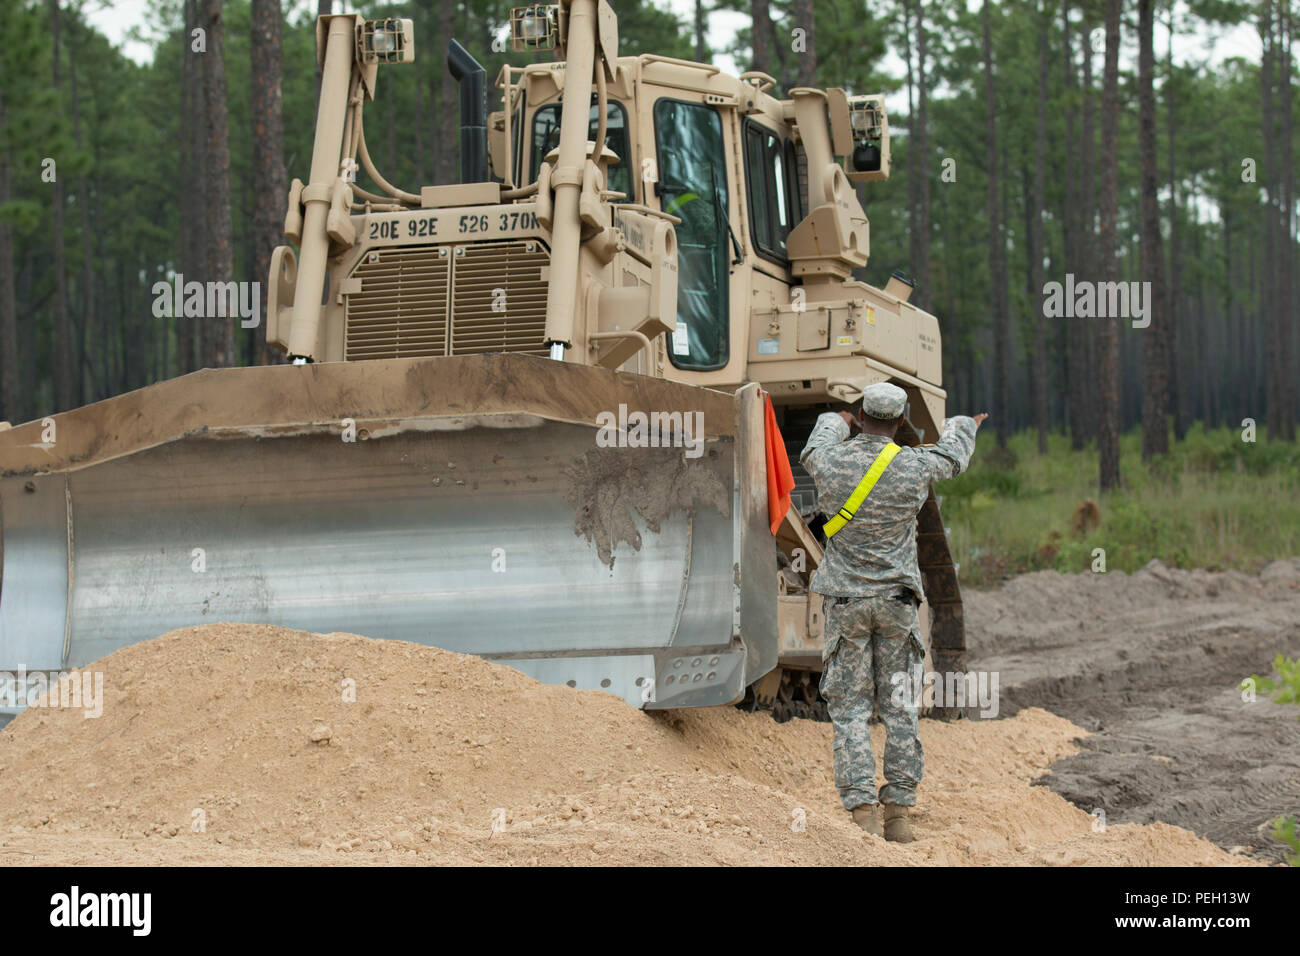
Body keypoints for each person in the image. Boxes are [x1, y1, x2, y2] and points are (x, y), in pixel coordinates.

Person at [799, 382, 986, 841]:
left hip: (847, 605)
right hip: (898, 605)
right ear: (902, 423)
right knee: (900, 708)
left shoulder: (830, 459)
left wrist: (835, 420)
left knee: (850, 710)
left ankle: (862, 812)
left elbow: (812, 448)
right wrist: (965, 424)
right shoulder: (914, 464)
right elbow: (954, 457)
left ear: (862, 415)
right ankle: (899, 816)